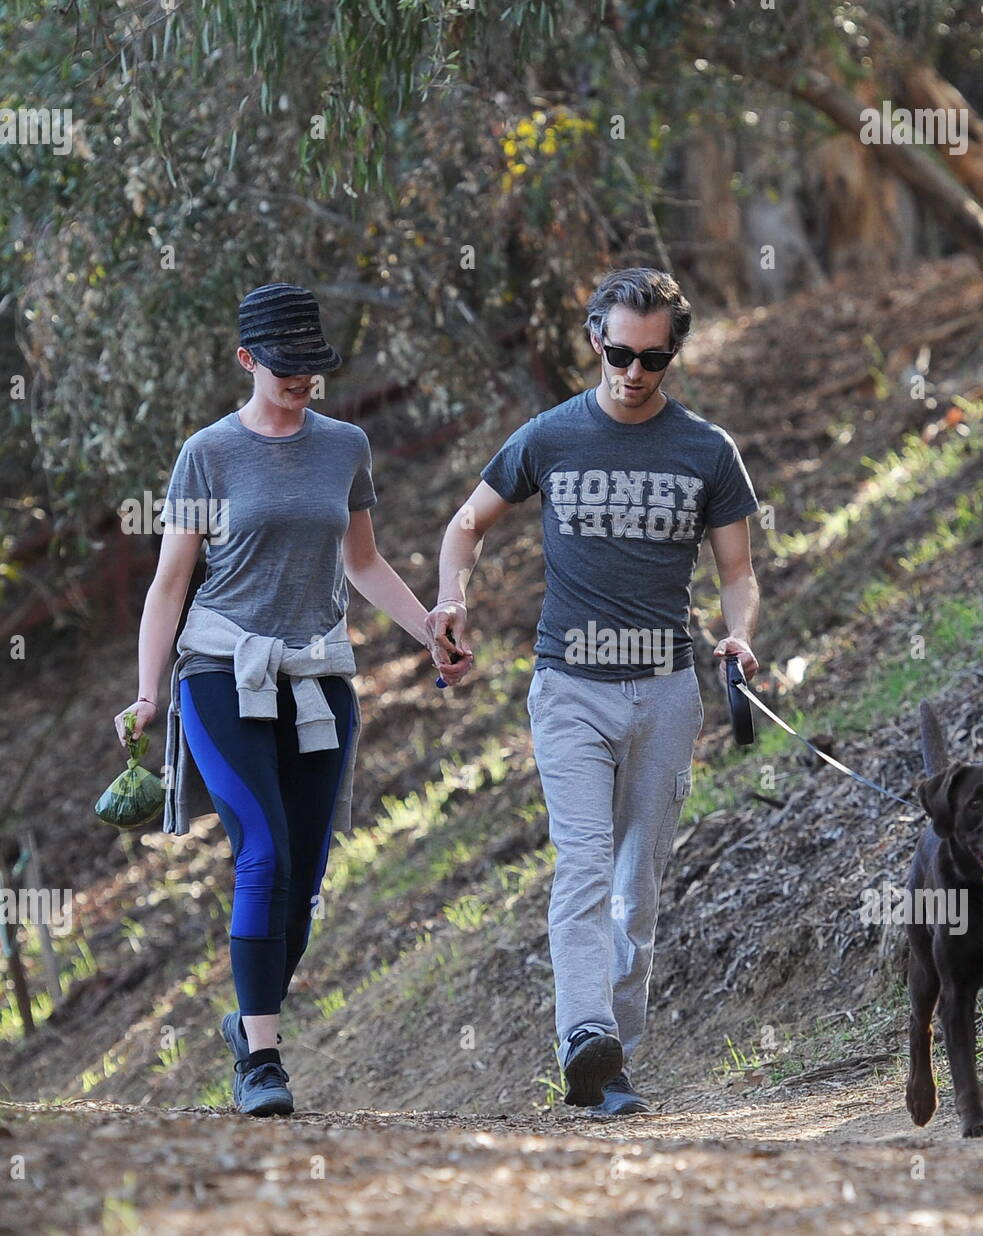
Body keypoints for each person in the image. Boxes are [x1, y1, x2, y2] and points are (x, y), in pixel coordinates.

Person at [430, 266, 760, 1116]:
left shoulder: (706, 451)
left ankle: (616, 1055)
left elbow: (738, 573)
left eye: (655, 358)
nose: (635, 373)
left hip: (665, 691)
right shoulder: (549, 437)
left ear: (674, 353)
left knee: (637, 885)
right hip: (569, 688)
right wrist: (451, 599)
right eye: (619, 353)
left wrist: (739, 635)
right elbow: (466, 527)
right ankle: (588, 1042)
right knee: (581, 864)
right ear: (594, 341)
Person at [114, 283, 448, 1117]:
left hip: (318, 674)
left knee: (304, 871)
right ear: (248, 360)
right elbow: (169, 584)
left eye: (313, 367)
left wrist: (427, 631)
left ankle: (249, 1020)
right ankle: (262, 1060)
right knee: (260, 849)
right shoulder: (208, 453)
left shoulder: (345, 446)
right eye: (286, 368)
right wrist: (149, 692)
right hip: (221, 670)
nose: (302, 381)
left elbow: (364, 562)